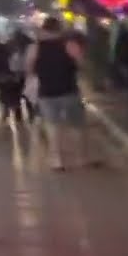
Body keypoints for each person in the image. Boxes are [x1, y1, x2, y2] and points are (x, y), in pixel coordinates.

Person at [26, 17, 98, 171]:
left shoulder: (35, 47)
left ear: (44, 29)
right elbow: (82, 65)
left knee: (53, 128)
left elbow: (29, 69)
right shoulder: (69, 44)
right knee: (77, 125)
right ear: (59, 29)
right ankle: (82, 158)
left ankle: (57, 161)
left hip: (47, 92)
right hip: (69, 90)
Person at [0, 30, 28, 125]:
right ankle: (17, 115)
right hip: (15, 77)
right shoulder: (19, 49)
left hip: (3, 77)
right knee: (16, 95)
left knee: (6, 96)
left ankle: (7, 114)